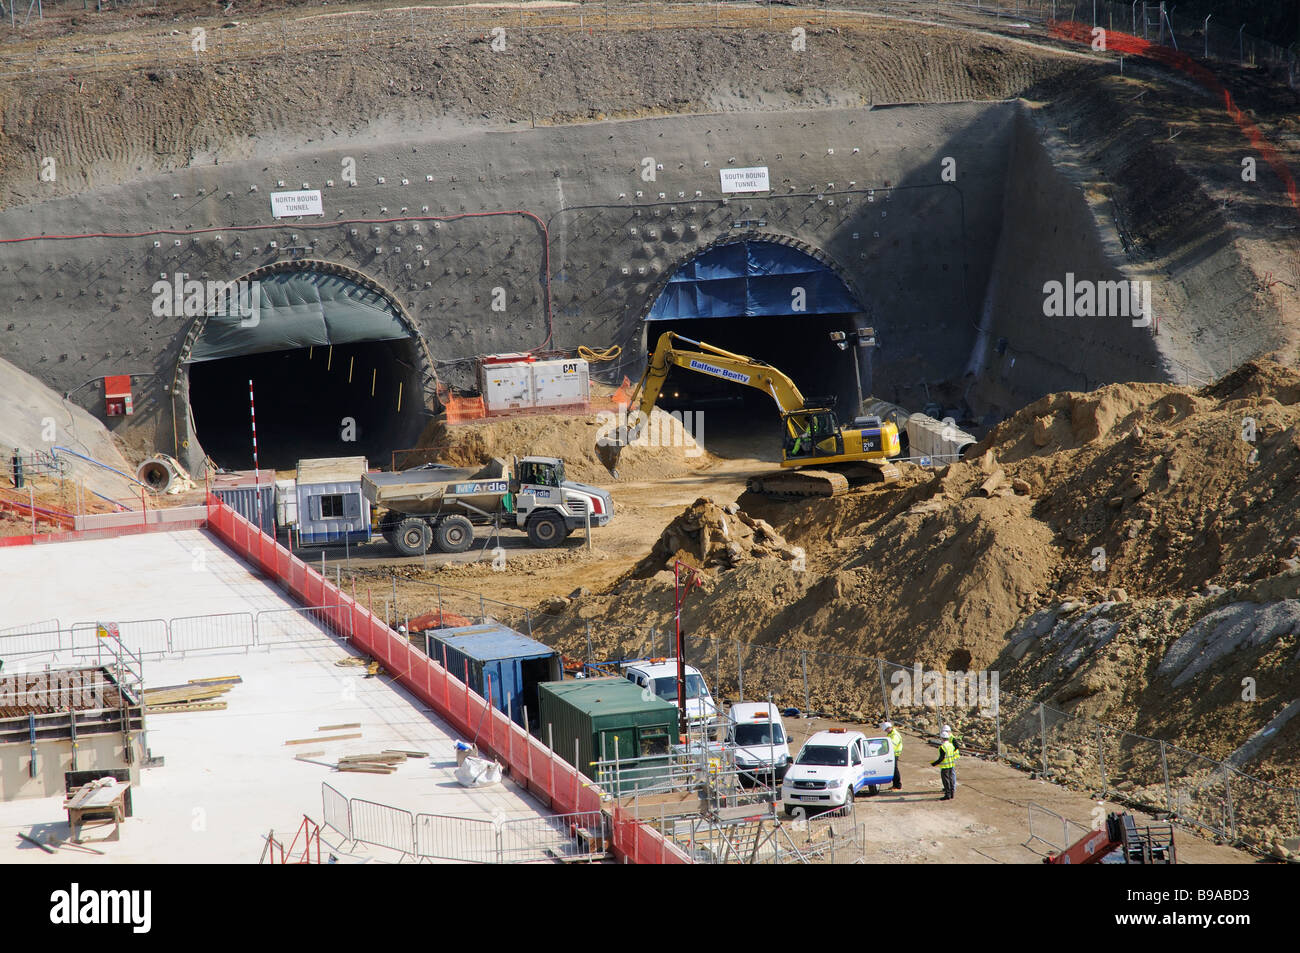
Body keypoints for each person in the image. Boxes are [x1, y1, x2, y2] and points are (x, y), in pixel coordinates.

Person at [932, 727, 958, 800]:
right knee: (951, 779)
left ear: (942, 738)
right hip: (951, 764)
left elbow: (941, 758)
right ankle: (952, 794)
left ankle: (947, 795)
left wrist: (934, 763)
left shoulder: (942, 747)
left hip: (945, 766)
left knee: (946, 781)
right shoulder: (951, 745)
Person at [881, 720, 903, 790]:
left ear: (889, 728)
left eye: (886, 730)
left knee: (894, 769)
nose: (886, 731)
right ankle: (895, 785)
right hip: (892, 754)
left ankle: (897, 785)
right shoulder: (891, 734)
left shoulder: (894, 735)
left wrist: (883, 747)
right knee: (893, 769)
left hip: (894, 754)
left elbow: (892, 745)